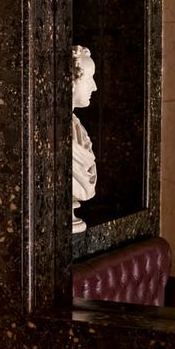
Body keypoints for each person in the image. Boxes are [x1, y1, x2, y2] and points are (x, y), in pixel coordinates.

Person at [70, 44, 97, 234]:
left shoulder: (77, 127)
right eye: (90, 79)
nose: (94, 87)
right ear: (72, 81)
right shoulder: (51, 135)